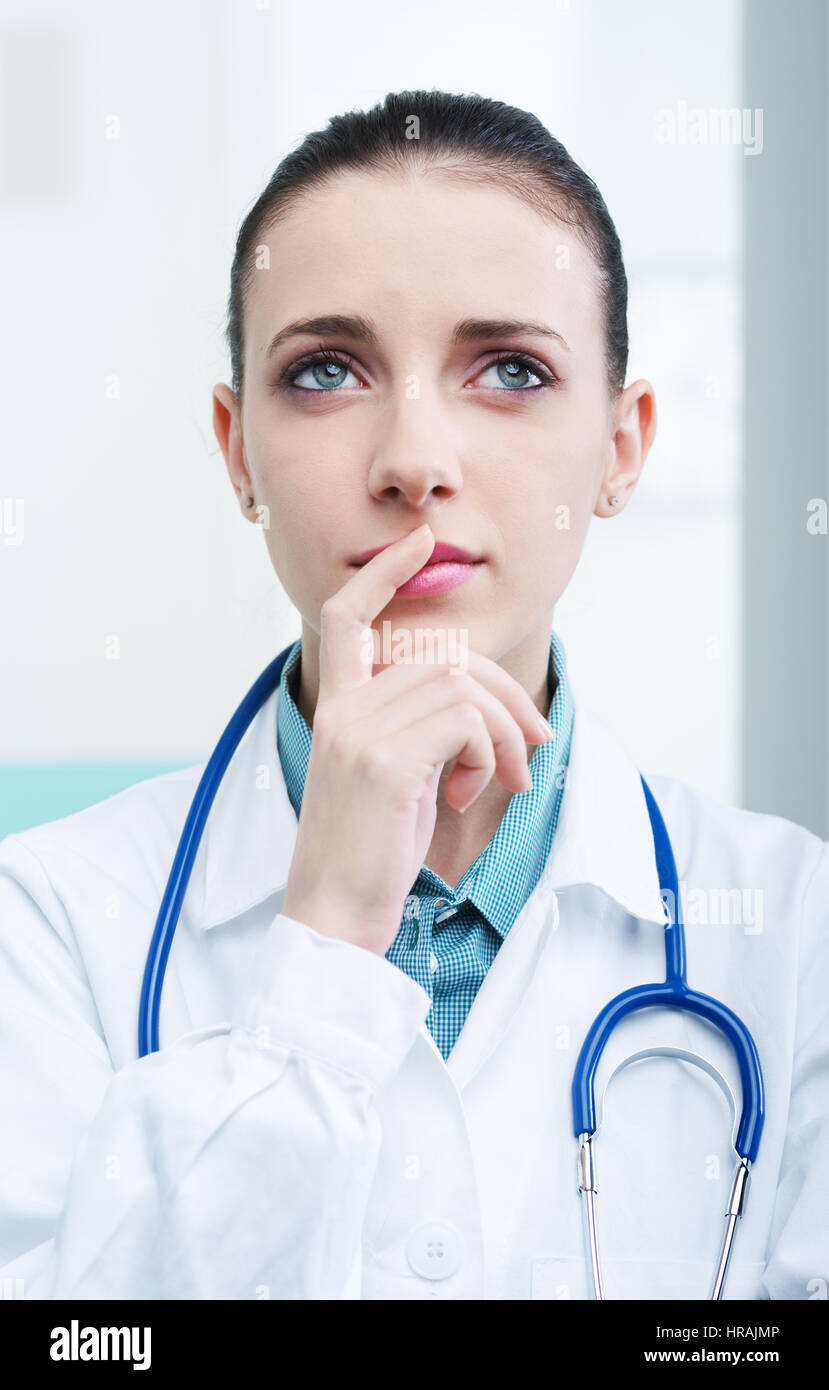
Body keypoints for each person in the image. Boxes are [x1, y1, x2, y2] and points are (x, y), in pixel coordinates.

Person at [0, 89, 826, 1302]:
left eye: (509, 369)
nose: (412, 461)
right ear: (237, 452)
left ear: (623, 444)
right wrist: (328, 932)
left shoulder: (797, 931)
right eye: (327, 370)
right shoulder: (45, 930)